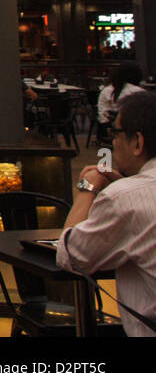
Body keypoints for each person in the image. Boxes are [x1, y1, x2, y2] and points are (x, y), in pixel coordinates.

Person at [58, 90, 156, 337]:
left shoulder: (124, 197)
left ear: (138, 142)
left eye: (116, 133)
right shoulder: (127, 194)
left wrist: (88, 188)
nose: (113, 142)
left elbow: (71, 255)